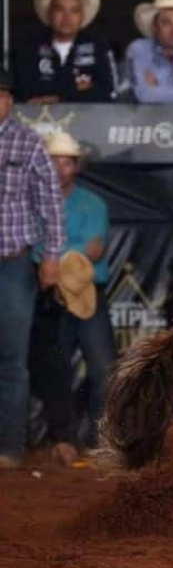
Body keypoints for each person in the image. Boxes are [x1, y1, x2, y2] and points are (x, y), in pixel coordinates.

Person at [28, 132, 117, 461]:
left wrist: (56, 255)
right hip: (53, 295)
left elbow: (94, 251)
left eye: (67, 161)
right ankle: (62, 439)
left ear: (77, 166)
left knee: (103, 367)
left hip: (87, 292)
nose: (60, 168)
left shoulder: (94, 203)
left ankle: (100, 440)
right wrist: (70, 255)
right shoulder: (32, 202)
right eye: (53, 161)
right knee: (55, 369)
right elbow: (40, 249)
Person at [0, 69, 65, 468]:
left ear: (11, 102)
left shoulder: (28, 143)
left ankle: (8, 446)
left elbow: (50, 202)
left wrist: (53, 254)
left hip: (14, 263)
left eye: (3, 95)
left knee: (12, 359)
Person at [14, 0, 119, 104]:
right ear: (49, 12)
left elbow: (109, 93)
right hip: (38, 122)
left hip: (89, 122)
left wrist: (59, 98)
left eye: (74, 11)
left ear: (82, 16)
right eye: (59, 9)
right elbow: (23, 92)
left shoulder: (98, 45)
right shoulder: (30, 45)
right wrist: (79, 89)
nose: (67, 17)